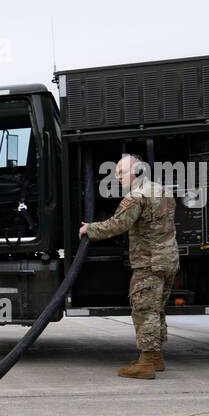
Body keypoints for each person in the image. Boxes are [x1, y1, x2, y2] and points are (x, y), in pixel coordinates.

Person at [78, 153, 178, 380]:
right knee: (158, 310)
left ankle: (145, 364)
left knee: (145, 311)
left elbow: (117, 225)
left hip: (148, 262)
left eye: (121, 172)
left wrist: (89, 229)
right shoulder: (163, 191)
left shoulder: (135, 197)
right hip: (169, 260)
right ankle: (156, 358)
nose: (117, 177)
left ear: (138, 171)